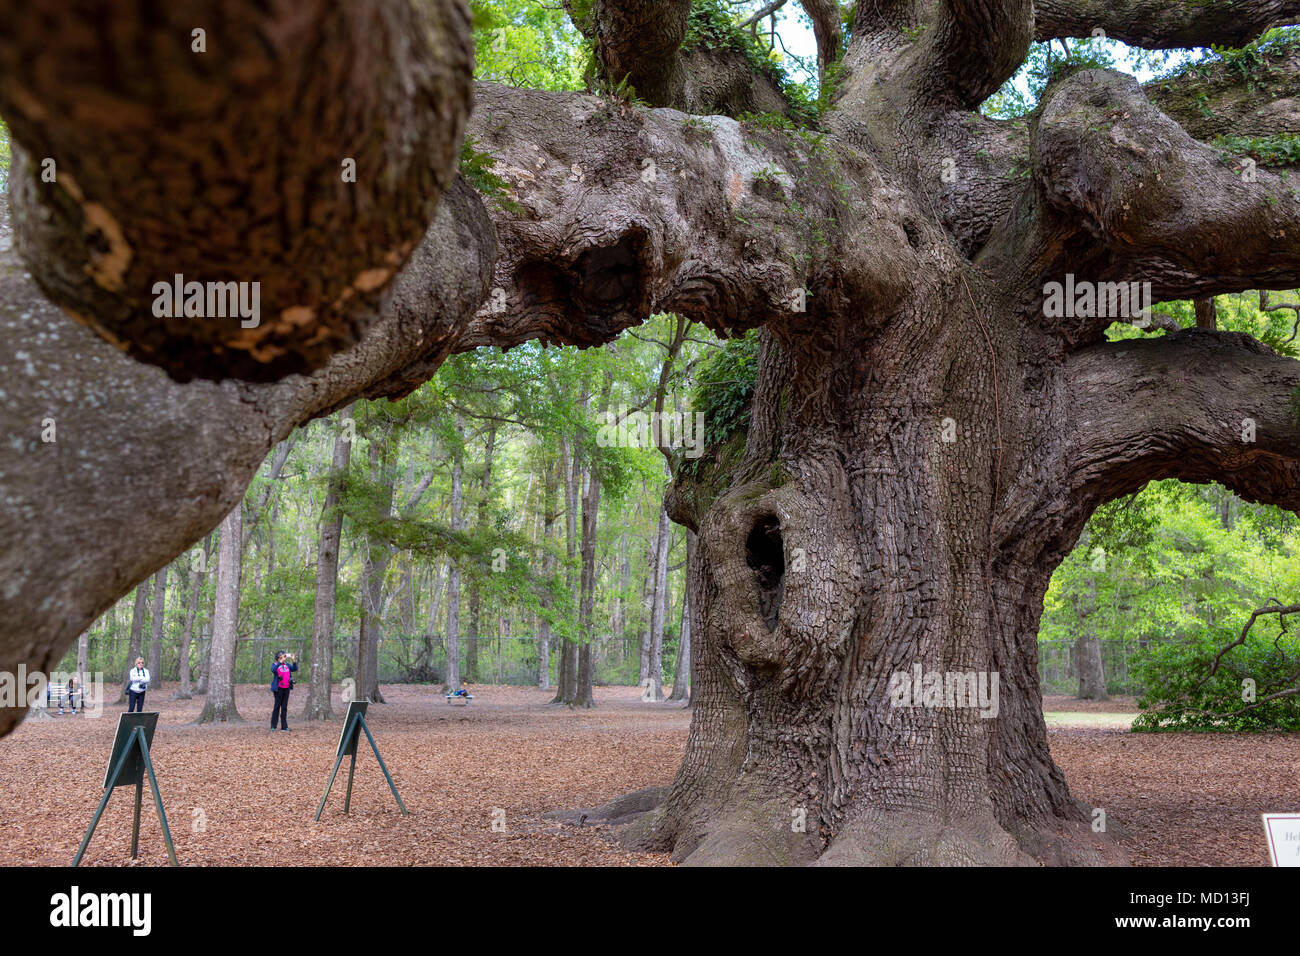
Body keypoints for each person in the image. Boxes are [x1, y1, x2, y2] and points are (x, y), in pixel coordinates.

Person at [270, 651, 298, 732]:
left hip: (286, 688)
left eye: (284, 656)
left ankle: (284, 727)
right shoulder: (275, 665)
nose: (284, 658)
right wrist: (280, 662)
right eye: (281, 657)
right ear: (278, 658)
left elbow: (295, 669)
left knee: (284, 707)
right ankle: (273, 726)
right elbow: (273, 670)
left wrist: (293, 660)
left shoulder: (287, 665)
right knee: (277, 707)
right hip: (278, 688)